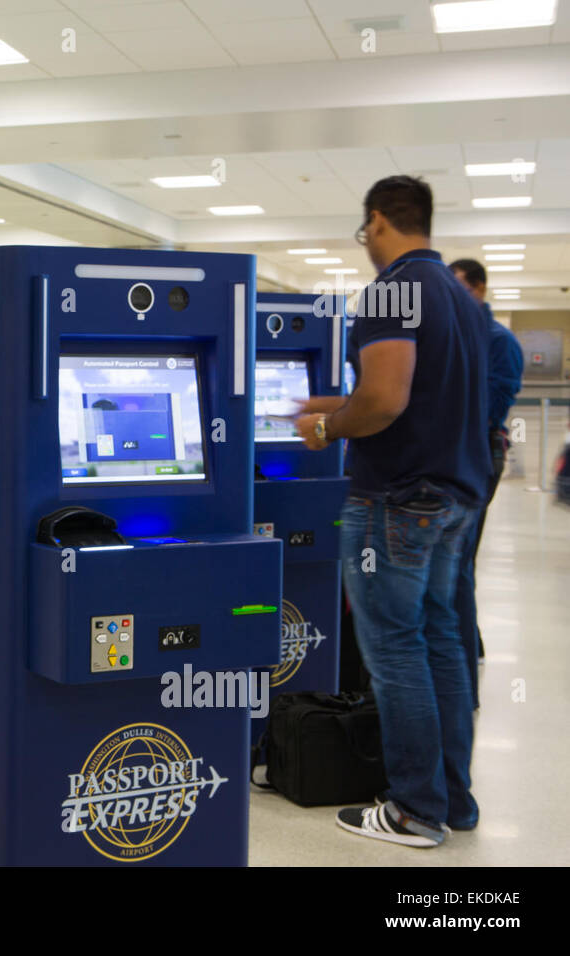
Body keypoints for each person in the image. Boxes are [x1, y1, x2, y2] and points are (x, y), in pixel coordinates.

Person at [294, 175, 490, 847]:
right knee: (441, 647)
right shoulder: (465, 303)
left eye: (365, 232)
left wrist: (326, 429)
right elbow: (426, 395)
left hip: (396, 501)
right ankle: (453, 800)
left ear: (378, 222)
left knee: (396, 654)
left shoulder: (392, 292)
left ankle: (412, 810)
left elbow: (383, 401)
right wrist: (337, 407)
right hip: (454, 497)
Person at [448, 258, 524, 707]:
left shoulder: (499, 342)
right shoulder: (461, 338)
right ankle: (468, 645)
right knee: (456, 566)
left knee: (457, 565)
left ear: (478, 289)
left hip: (477, 457)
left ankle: (462, 678)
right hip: (454, 456)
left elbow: (491, 407)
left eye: (459, 290)